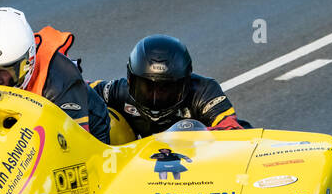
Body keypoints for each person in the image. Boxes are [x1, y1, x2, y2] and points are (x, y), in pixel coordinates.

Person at [0, 7, 111, 143]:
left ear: (28, 63)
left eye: (3, 73)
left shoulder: (60, 79)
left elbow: (75, 148)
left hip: (88, 129)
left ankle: (104, 89)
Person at [92, 35, 247, 138]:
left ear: (185, 83)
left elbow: (232, 130)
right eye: (147, 88)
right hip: (140, 164)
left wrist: (190, 135)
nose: (155, 97)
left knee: (246, 130)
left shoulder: (204, 91)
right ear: (131, 81)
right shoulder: (119, 90)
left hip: (199, 160)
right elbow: (80, 90)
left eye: (165, 89)